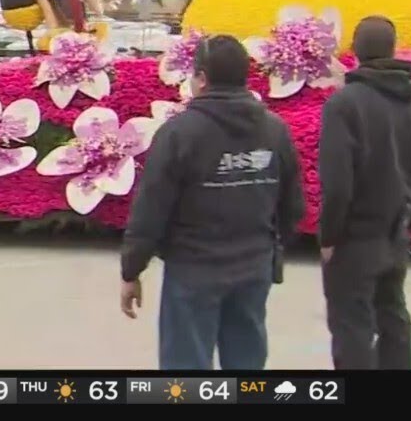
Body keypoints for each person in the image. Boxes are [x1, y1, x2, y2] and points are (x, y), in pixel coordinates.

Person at [120, 34, 304, 371]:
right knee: (247, 362)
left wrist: (132, 270)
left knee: (185, 367)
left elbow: (151, 210)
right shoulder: (275, 131)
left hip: (193, 269)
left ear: (202, 78)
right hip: (253, 266)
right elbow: (292, 204)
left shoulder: (179, 134)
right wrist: (271, 248)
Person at [317, 15, 411, 370]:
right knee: (393, 318)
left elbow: (338, 183)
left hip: (355, 236)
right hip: (394, 232)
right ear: (392, 49)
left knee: (352, 325)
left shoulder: (345, 104)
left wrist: (329, 236)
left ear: (355, 51)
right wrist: (408, 221)